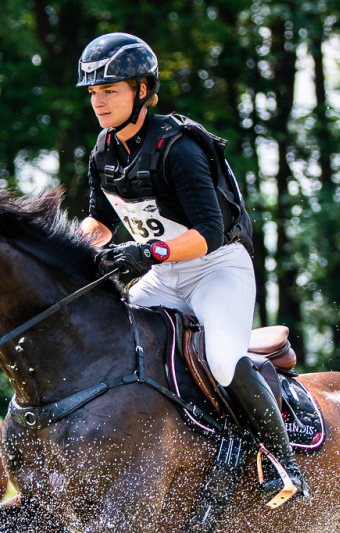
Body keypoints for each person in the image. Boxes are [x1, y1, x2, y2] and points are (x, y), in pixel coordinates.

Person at [76, 32, 307, 504]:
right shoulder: (103, 150)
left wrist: (148, 252)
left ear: (142, 90)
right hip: (165, 277)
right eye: (94, 92)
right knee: (103, 337)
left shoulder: (177, 147)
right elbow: (100, 220)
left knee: (223, 357)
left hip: (217, 269)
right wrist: (71, 251)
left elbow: (210, 233)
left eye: (111, 90)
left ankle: (282, 459)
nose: (99, 101)